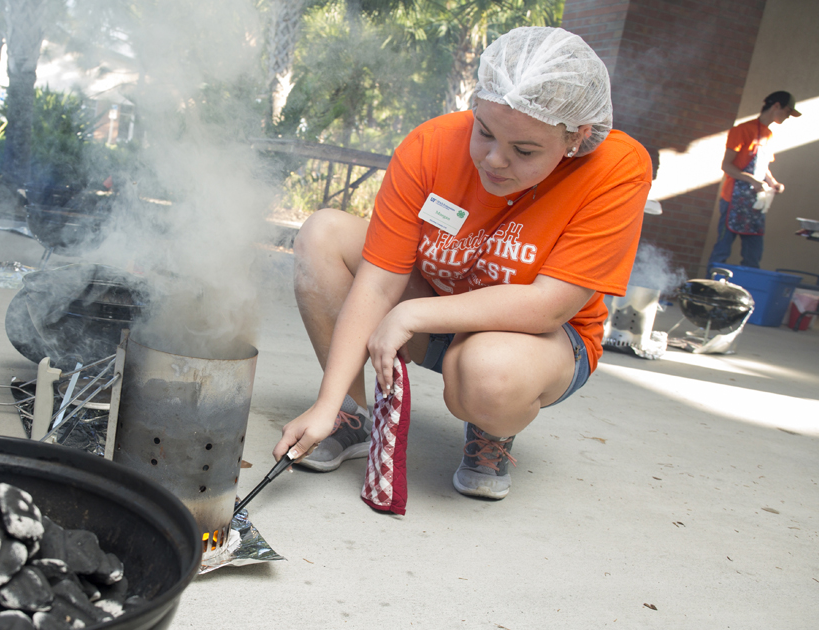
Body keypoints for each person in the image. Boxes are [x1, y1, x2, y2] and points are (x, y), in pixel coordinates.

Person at [273, 27, 653, 501]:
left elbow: (550, 305)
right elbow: (377, 284)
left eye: (525, 150)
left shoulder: (617, 167)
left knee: (488, 373)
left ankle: (492, 428)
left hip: (539, 339)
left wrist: (411, 314)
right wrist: (326, 404)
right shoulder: (431, 145)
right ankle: (351, 415)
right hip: (441, 299)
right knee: (323, 233)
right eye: (485, 132)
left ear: (575, 139)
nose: (494, 160)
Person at [707, 91, 800, 269]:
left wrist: (773, 183)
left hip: (754, 204)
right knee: (722, 250)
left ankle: (748, 292)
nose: (788, 117)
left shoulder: (769, 134)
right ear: (776, 106)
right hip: (732, 201)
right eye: (788, 112)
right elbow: (727, 166)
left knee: (753, 255)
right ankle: (707, 290)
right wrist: (751, 180)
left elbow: (762, 167)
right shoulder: (741, 130)